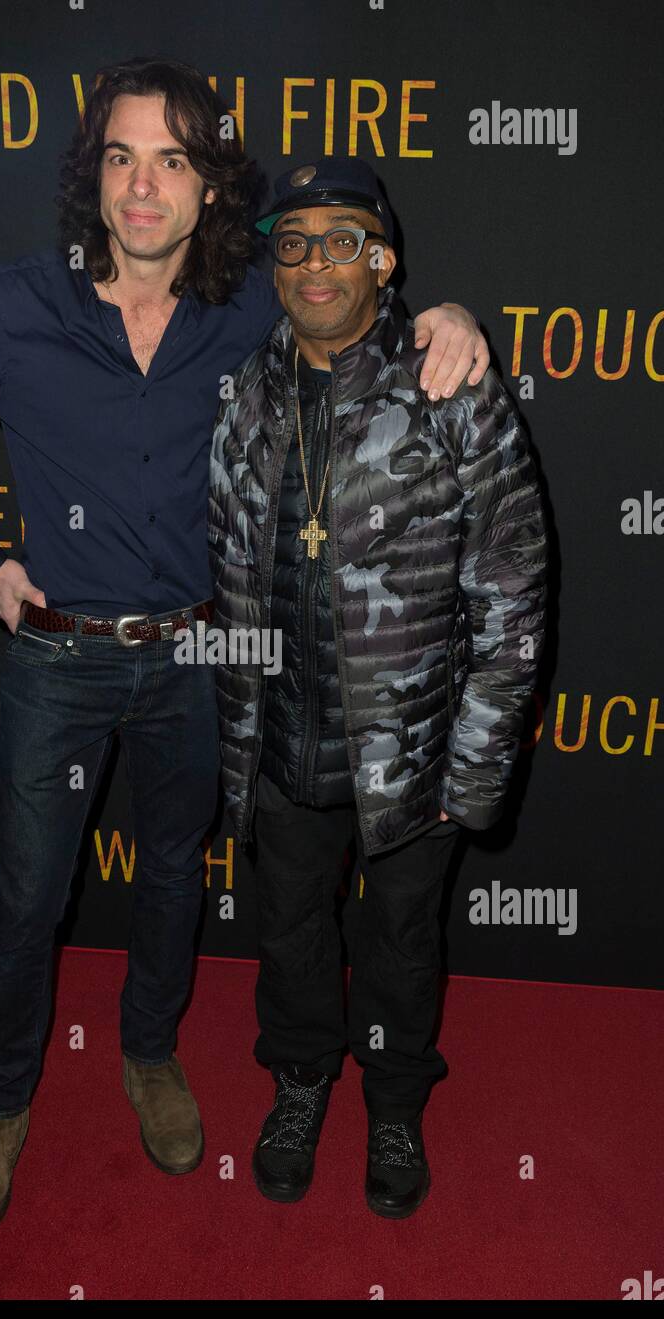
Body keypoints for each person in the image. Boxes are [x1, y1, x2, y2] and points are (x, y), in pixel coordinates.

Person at [0, 58, 490, 1245]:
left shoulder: (244, 305)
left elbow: (361, 315)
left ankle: (148, 1052)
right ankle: (0, 1105)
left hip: (202, 661)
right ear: (93, 176)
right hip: (57, 659)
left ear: (209, 193)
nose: (143, 186)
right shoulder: (5, 307)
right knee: (26, 896)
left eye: (173, 162)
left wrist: (449, 318)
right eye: (121, 156)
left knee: (166, 880)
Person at [208, 156, 547, 1218]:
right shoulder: (246, 389)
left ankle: (393, 1101)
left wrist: (474, 766)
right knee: (291, 929)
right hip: (275, 738)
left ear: (382, 259)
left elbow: (512, 593)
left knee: (400, 941)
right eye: (294, 240)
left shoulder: (448, 386)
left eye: (342, 239)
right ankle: (301, 1082)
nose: (315, 263)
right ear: (274, 262)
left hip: (408, 756)